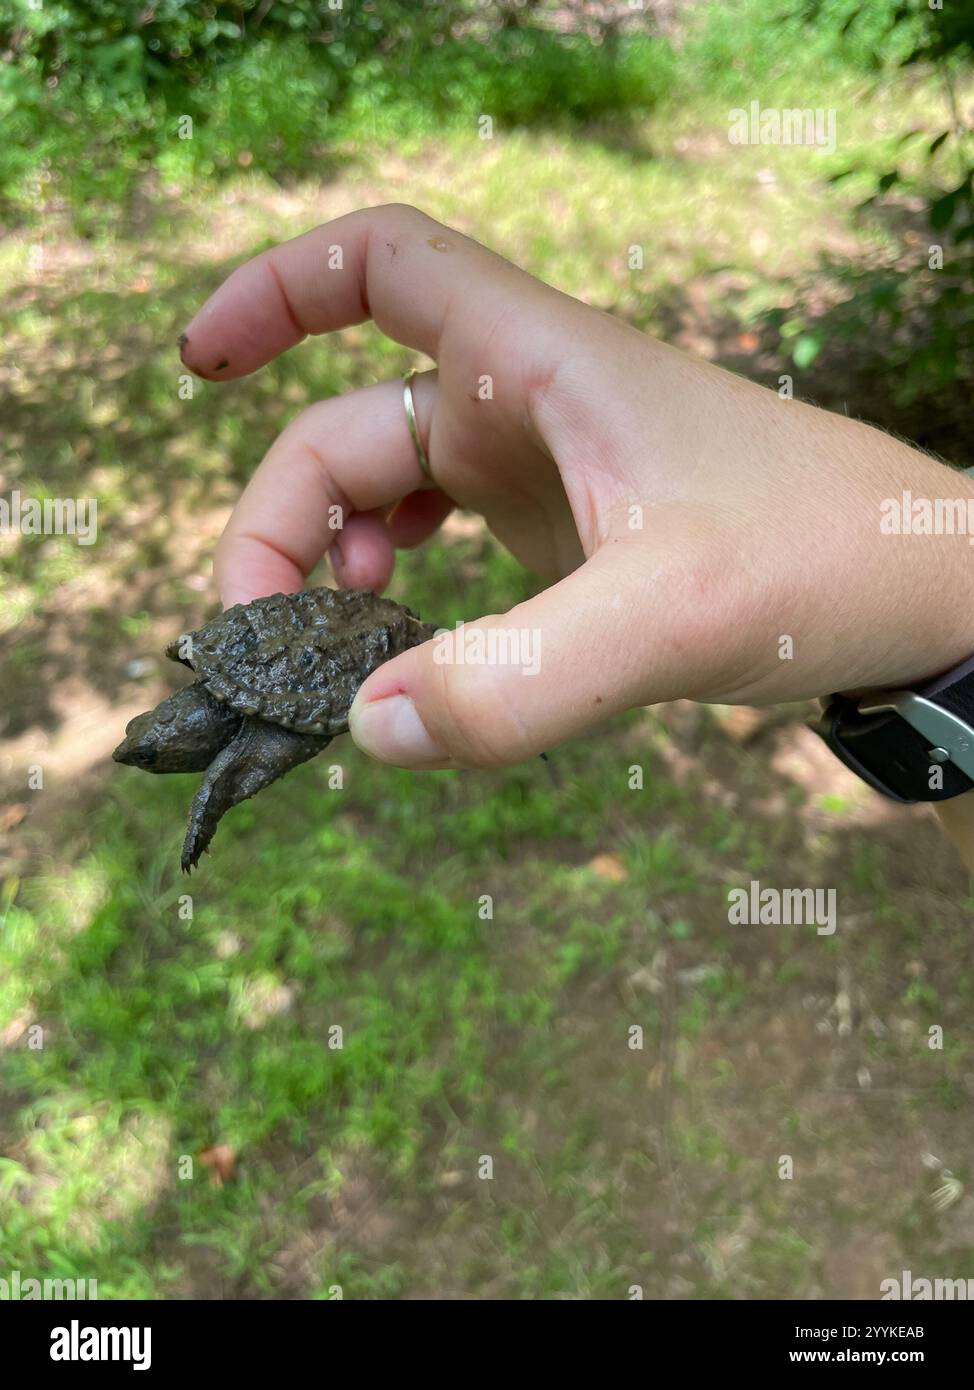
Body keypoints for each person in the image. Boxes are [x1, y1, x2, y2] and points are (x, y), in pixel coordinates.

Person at [177, 204, 974, 865]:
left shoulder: (239, 716)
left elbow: (215, 771)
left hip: (340, 649)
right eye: (160, 750)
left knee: (221, 779)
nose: (150, 754)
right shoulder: (225, 683)